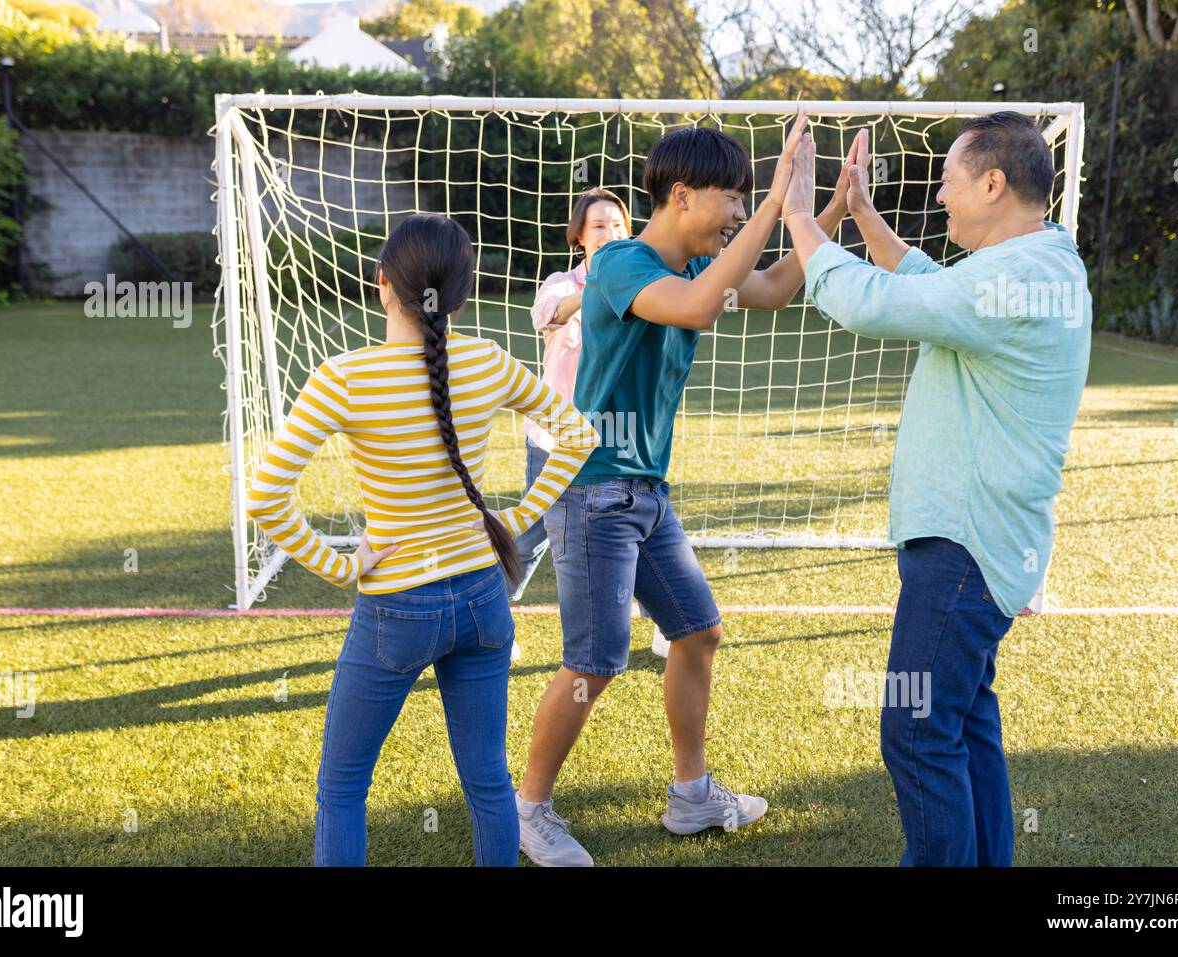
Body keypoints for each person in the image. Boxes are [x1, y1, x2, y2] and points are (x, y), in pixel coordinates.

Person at [515, 112, 853, 866]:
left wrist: (821, 208)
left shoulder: (696, 268)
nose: (736, 211)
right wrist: (774, 203)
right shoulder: (620, 264)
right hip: (594, 492)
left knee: (697, 632)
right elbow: (700, 308)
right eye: (729, 197)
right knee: (594, 662)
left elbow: (769, 290)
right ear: (680, 196)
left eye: (744, 197)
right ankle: (527, 809)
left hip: (645, 494)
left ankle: (691, 795)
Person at [785, 112, 1092, 865]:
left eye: (950, 183)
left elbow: (872, 302)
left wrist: (795, 212)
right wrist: (859, 213)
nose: (943, 199)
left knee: (918, 726)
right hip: (976, 541)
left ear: (993, 182)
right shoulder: (1035, 262)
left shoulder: (1019, 278)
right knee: (961, 718)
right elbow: (928, 282)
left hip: (965, 544)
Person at [245, 214, 599, 866]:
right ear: (463, 293)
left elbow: (265, 495)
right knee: (489, 781)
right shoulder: (487, 361)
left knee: (343, 786)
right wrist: (518, 517)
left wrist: (341, 565)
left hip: (396, 608)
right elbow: (579, 435)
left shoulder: (344, 378)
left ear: (383, 284)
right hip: (483, 601)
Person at [508, 188, 671, 657]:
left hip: (616, 440)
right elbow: (548, 314)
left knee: (635, 528)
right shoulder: (562, 284)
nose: (611, 233)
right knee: (532, 532)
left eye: (618, 226)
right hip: (555, 440)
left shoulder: (641, 285)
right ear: (579, 235)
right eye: (599, 226)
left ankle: (667, 622)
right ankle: (494, 621)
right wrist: (596, 287)